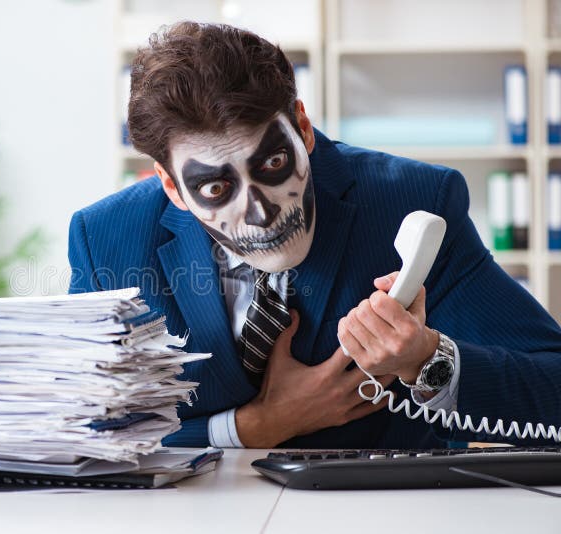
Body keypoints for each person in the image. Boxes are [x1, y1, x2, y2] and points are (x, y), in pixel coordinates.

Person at [68, 21, 561, 449]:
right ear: (173, 187)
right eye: (217, 187)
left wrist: (429, 360)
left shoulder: (415, 200)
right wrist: (256, 426)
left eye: (274, 163)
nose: (258, 212)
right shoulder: (107, 238)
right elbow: (82, 429)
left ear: (302, 128)